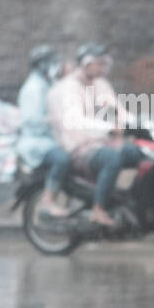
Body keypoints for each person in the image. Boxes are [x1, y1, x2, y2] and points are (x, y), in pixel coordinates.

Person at [47, 43, 135, 227]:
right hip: (77, 146)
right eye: (100, 64)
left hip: (101, 141)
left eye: (105, 64)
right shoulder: (68, 88)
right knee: (111, 159)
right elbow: (77, 120)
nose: (104, 69)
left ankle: (133, 205)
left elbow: (117, 109)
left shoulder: (101, 84)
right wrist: (109, 128)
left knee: (139, 153)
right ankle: (99, 209)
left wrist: (138, 123)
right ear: (86, 64)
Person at [14, 45, 72, 216]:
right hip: (36, 142)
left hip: (49, 138)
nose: (55, 65)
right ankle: (47, 201)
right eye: (51, 62)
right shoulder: (33, 88)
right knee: (62, 159)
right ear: (41, 64)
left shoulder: (47, 84)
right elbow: (32, 120)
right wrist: (54, 121)